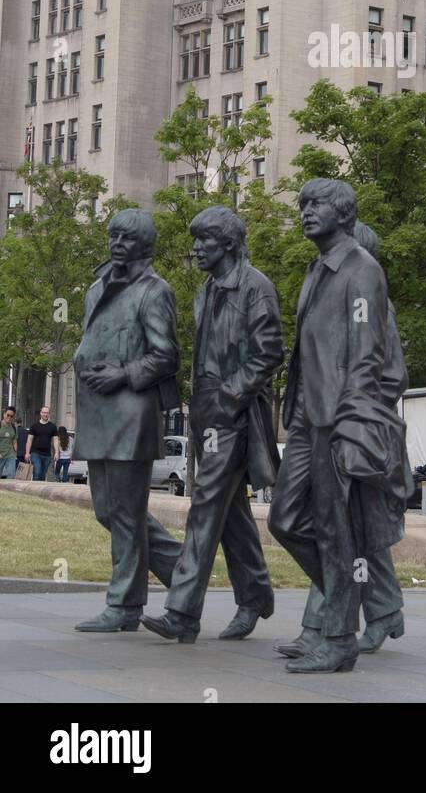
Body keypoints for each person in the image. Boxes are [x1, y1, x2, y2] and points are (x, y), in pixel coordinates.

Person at [269, 179, 408, 675]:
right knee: (284, 519)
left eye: (317, 204)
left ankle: (337, 636)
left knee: (335, 529)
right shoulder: (317, 270)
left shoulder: (361, 272)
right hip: (307, 417)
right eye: (303, 203)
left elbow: (368, 356)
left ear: (343, 212)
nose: (306, 211)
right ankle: (340, 609)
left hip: (337, 419)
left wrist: (350, 419)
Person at [143, 206, 284, 644]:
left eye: (204, 240)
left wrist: (229, 396)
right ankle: (256, 594)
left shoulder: (255, 287)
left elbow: (268, 352)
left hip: (235, 414)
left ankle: (183, 613)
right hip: (206, 412)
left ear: (227, 242)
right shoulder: (207, 288)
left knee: (205, 507)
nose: (196, 248)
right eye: (195, 239)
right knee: (231, 514)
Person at [73, 209, 184, 634]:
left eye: (127, 237)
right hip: (98, 412)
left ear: (145, 246)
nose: (117, 243)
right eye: (113, 235)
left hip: (130, 414)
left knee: (124, 512)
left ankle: (124, 606)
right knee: (111, 510)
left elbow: (166, 355)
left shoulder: (154, 291)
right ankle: (183, 572)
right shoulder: (97, 287)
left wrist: (122, 373)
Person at [26, 407, 59, 481]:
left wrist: (57, 453)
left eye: (47, 413)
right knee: (37, 472)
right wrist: (27, 453)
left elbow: (56, 440)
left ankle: (39, 491)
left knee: (43, 475)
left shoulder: (52, 426)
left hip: (47, 455)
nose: (45, 414)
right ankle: (34, 490)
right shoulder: (34, 426)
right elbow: (29, 440)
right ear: (41, 413)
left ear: (49, 414)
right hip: (35, 453)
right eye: (44, 412)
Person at [0, 407, 17, 480]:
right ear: (4, 414)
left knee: (11, 476)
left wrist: (15, 453)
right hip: (0, 454)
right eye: (8, 415)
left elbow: (14, 441)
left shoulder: (14, 427)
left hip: (10, 455)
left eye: (11, 416)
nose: (9, 417)